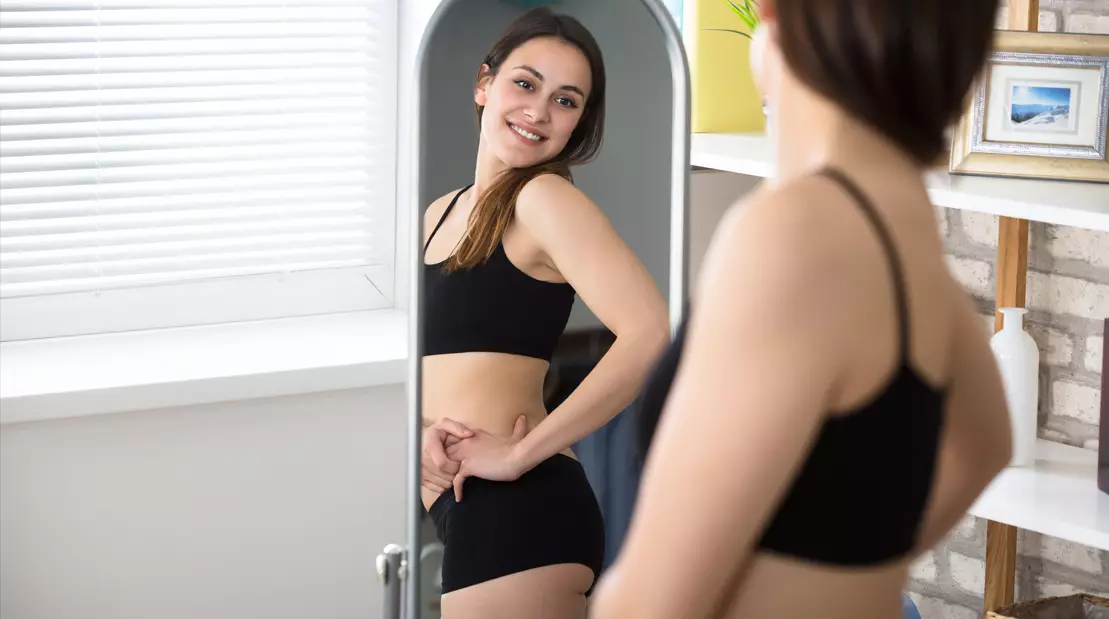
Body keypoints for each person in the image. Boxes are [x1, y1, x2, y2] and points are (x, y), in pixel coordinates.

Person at [590, 1, 1013, 618]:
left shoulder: (796, 233)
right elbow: (987, 444)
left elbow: (647, 606)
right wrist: (852, 563)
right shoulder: (901, 227)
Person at [418, 7, 670, 619]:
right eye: (525, 84)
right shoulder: (438, 214)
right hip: (459, 505)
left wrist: (514, 455)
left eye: (566, 100)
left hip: (522, 514)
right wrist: (419, 434)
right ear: (485, 84)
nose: (538, 112)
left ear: (580, 121)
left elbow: (652, 334)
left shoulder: (544, 200)